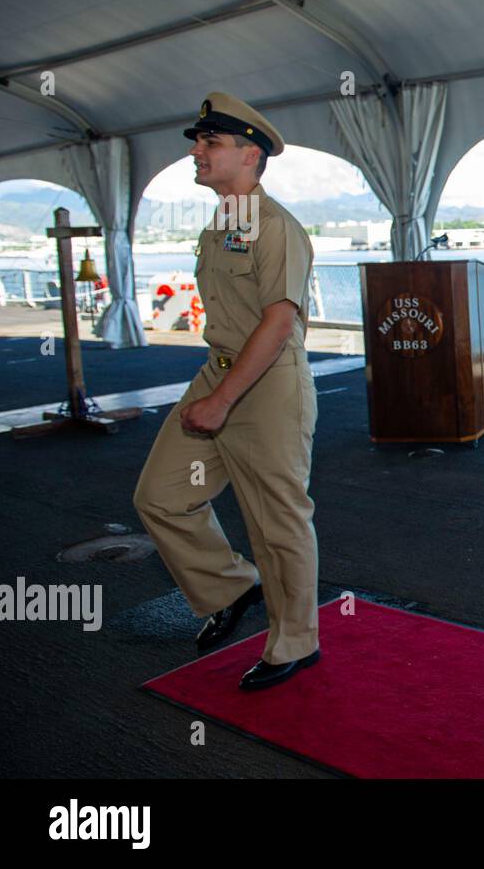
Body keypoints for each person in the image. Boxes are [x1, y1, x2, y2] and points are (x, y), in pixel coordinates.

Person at [133, 92, 321, 691]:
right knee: (160, 496)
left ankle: (296, 638)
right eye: (199, 141)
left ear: (250, 155)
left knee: (277, 519)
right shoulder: (222, 225)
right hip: (220, 371)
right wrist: (214, 390)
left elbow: (278, 321)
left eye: (209, 143)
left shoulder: (276, 227)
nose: (196, 151)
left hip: (267, 386)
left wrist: (222, 400)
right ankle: (232, 585)